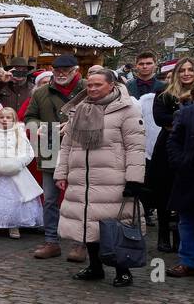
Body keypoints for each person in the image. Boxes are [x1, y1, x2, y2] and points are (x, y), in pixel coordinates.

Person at [55, 68, 145, 287]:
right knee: (88, 225)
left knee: (115, 225)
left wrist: (134, 180)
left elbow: (135, 147)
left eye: (98, 85)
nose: (92, 89)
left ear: (111, 85)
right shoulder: (79, 109)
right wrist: (61, 171)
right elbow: (67, 144)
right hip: (81, 177)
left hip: (113, 177)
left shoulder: (127, 109)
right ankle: (95, 267)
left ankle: (123, 269)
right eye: (90, 85)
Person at [25, 54, 84, 260]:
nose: (60, 74)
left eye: (65, 71)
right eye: (57, 70)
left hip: (80, 150)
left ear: (76, 70)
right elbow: (29, 117)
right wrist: (37, 127)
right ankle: (51, 242)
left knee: (79, 198)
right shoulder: (41, 92)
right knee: (50, 199)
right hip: (50, 148)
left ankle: (80, 244)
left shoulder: (87, 90)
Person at [149, 58, 194, 254]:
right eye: (182, 70)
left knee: (184, 193)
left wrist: (180, 122)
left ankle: (180, 237)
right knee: (164, 192)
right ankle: (163, 235)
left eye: (190, 70)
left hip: (192, 147)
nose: (186, 73)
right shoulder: (164, 94)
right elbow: (160, 119)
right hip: (167, 147)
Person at [0, 108, 43, 238]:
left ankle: (14, 225)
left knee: (15, 200)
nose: (5, 120)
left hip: (16, 173)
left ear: (14, 120)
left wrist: (17, 164)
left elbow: (28, 153)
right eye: (2, 117)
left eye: (8, 117)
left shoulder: (20, 135)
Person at [165, 69, 194, 277]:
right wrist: (180, 162)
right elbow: (173, 140)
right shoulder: (187, 112)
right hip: (190, 174)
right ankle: (188, 261)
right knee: (188, 219)